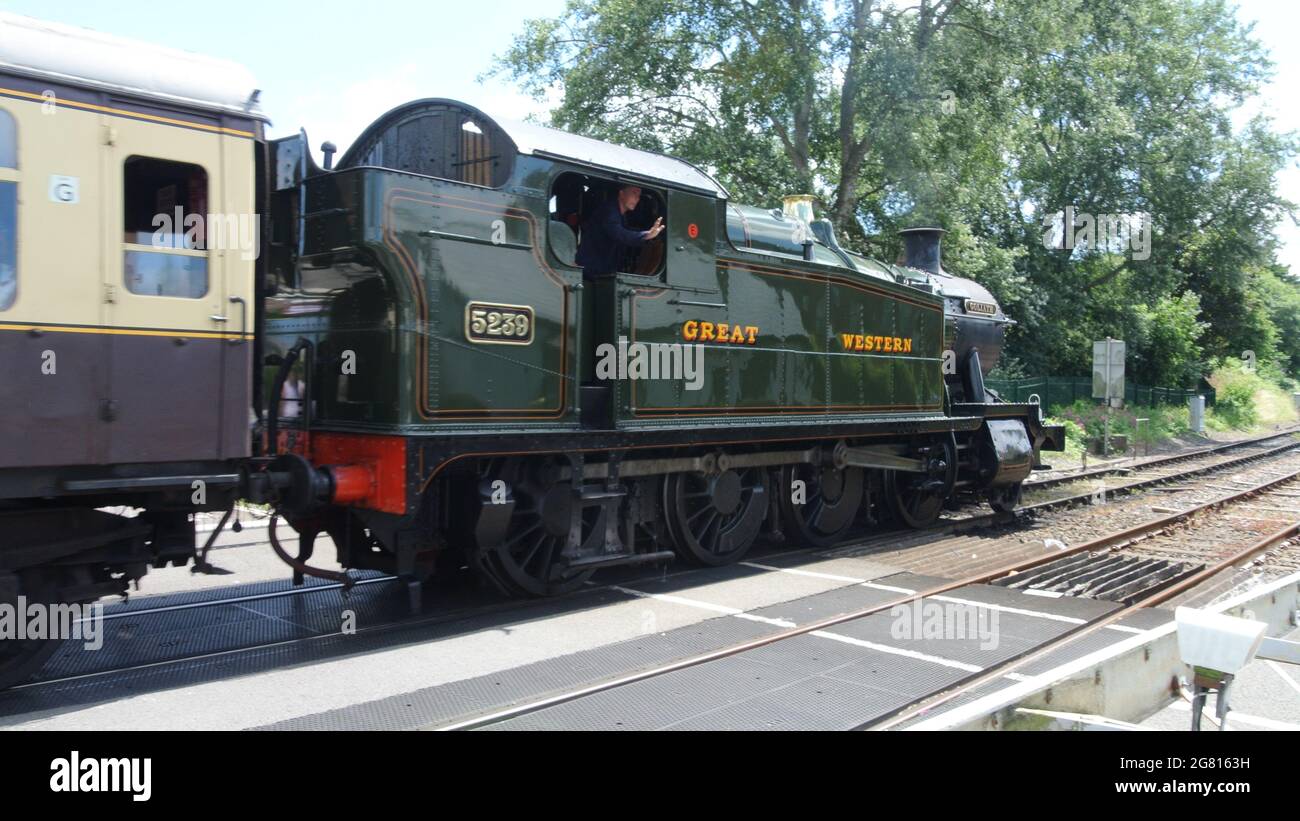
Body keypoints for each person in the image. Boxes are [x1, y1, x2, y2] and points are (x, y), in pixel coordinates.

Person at [575, 185, 665, 279]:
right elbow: (619, 233)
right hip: (590, 271)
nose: (637, 199)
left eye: (639, 196)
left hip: (599, 270)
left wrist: (649, 233)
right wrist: (645, 235)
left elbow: (626, 230)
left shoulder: (620, 215)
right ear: (621, 193)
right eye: (634, 193)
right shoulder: (609, 210)